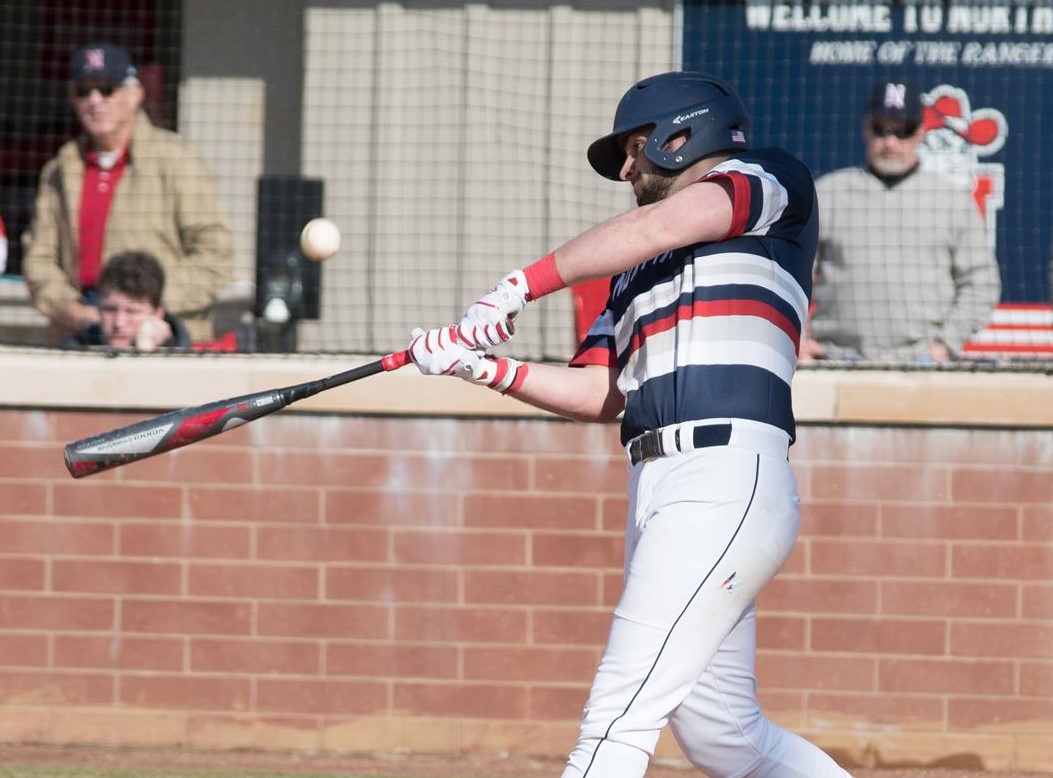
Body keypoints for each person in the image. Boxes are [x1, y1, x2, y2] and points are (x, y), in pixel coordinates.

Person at [406, 72, 851, 778]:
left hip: (725, 471)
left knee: (616, 718)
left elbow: (669, 222)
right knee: (723, 736)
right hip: (655, 481)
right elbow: (599, 392)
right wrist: (481, 367)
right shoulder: (631, 272)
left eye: (634, 148)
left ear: (683, 134)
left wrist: (522, 283)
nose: (626, 168)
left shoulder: (769, 177)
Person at [22, 42, 233, 343]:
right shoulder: (61, 168)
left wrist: (142, 307)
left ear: (135, 94)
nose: (95, 101)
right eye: (84, 91)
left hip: (161, 336)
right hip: (82, 334)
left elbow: (214, 254)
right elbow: (39, 259)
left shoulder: (175, 159)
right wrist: (76, 312)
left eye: (107, 89)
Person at [801, 78, 1001, 363]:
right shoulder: (828, 193)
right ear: (865, 129)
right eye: (881, 129)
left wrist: (944, 345)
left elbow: (981, 283)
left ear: (921, 132)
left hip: (922, 365)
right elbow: (788, 273)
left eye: (903, 130)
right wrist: (795, 338)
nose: (891, 142)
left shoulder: (951, 200)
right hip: (836, 360)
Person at [62, 250, 190, 349]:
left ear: (158, 314)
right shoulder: (75, 351)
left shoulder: (183, 358)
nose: (119, 323)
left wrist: (146, 349)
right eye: (110, 309)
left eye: (132, 311)